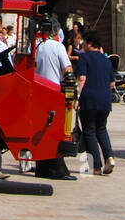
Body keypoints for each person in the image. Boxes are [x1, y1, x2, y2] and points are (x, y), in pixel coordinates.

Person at [33, 19, 76, 180]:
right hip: (53, 92)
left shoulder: (35, 46)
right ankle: (57, 169)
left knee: (40, 130)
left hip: (37, 92)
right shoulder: (58, 47)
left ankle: (41, 167)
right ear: (56, 32)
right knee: (54, 132)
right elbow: (67, 69)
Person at [74, 29, 116, 175]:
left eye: (84, 42)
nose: (82, 45)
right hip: (105, 100)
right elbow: (112, 84)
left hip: (89, 99)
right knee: (101, 129)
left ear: (90, 43)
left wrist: (77, 98)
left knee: (89, 131)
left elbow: (81, 79)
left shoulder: (84, 58)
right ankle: (109, 157)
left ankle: (95, 166)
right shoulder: (106, 60)